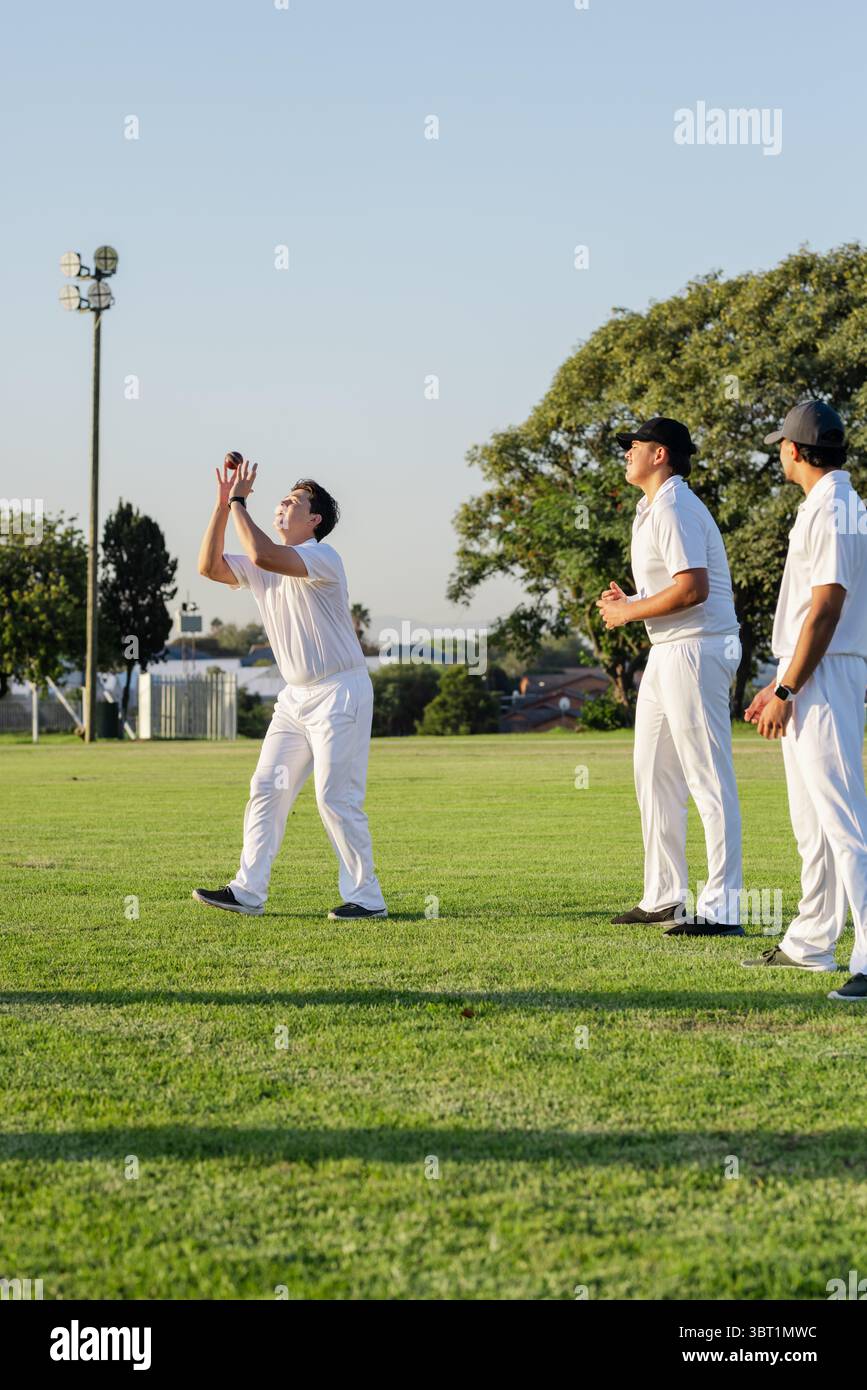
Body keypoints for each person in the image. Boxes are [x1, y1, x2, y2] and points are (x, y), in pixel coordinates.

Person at [193, 459, 387, 921]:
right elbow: (209, 567)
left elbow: (261, 554)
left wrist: (240, 501)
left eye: (292, 502)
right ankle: (246, 892)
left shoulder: (323, 556)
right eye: (280, 501)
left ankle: (367, 899)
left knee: (334, 797)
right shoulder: (266, 563)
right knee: (265, 788)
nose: (281, 506)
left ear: (314, 520)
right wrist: (223, 506)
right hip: (294, 699)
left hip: (340, 690)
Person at [597, 417, 743, 936]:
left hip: (697, 649)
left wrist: (627, 613)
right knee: (652, 774)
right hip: (669, 650)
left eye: (632, 446)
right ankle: (664, 897)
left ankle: (724, 909)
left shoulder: (676, 504)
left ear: (660, 454)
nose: (626, 453)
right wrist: (631, 603)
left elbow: (693, 589)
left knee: (707, 777)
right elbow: (674, 592)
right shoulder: (653, 508)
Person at [741, 401, 867, 1000]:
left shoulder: (838, 505)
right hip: (809, 670)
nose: (778, 454)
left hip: (828, 672)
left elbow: (828, 605)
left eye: (780, 446)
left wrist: (789, 686)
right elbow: (808, 614)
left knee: (844, 819)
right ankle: (811, 943)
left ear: (794, 450)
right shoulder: (825, 504)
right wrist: (778, 682)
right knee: (812, 823)